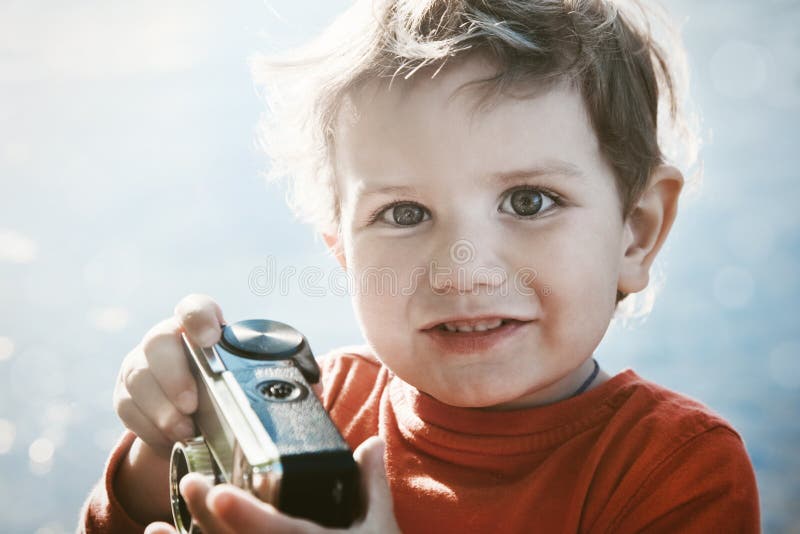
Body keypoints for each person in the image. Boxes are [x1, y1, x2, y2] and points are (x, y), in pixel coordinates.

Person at [80, 0, 761, 532]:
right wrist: (170, 442)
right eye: (404, 214)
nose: (461, 272)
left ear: (635, 234)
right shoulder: (314, 408)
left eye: (529, 201)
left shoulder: (673, 471)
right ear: (343, 250)